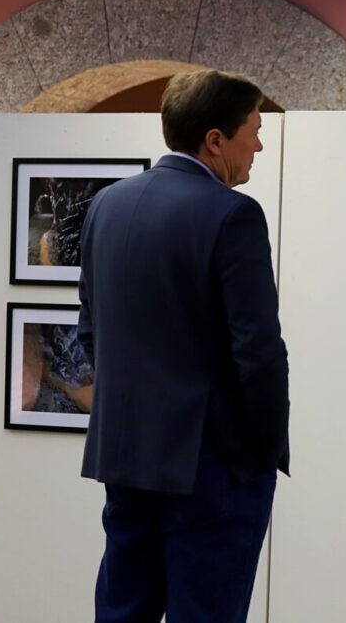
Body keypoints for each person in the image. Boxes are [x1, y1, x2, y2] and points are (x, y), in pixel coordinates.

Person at [77, 69, 290, 622]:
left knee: (123, 612)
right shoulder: (233, 214)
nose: (260, 144)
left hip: (126, 460)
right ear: (215, 140)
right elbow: (259, 352)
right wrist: (264, 451)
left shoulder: (106, 206)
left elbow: (90, 330)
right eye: (254, 130)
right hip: (212, 467)